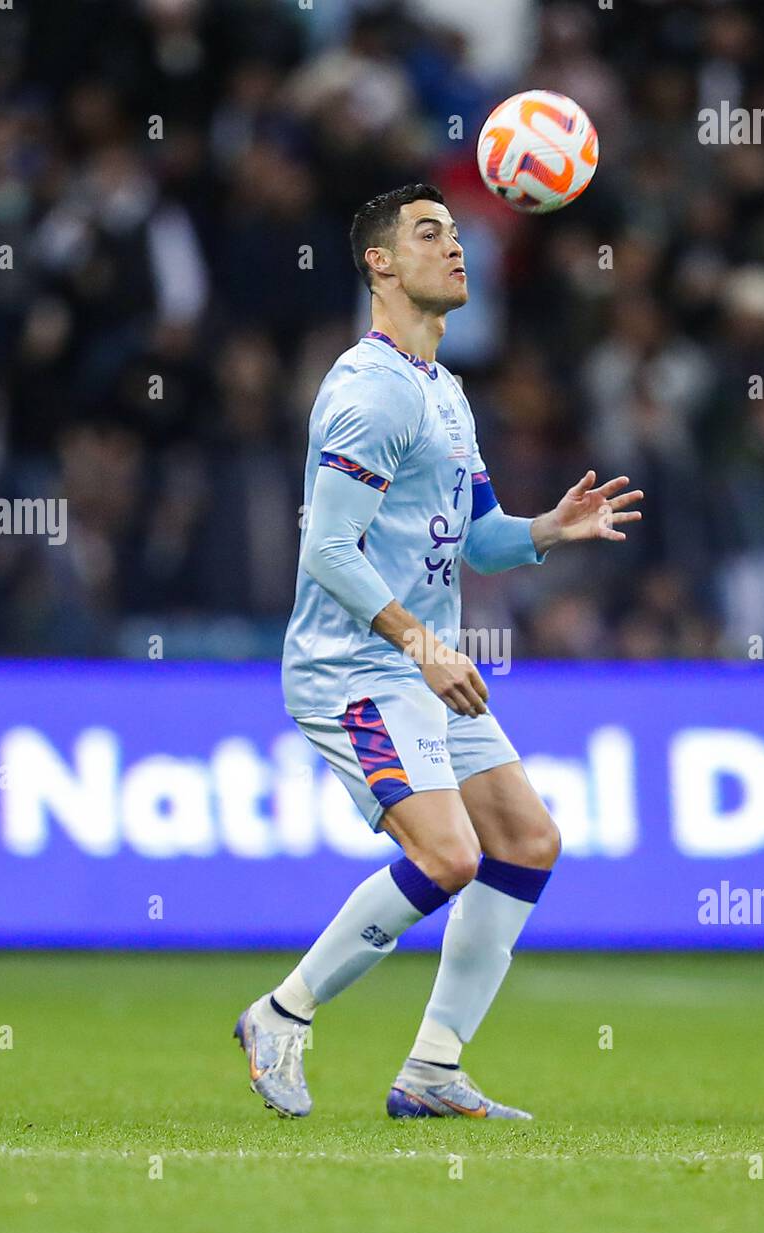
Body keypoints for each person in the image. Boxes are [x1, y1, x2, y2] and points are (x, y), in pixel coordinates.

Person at [234, 183, 643, 1119]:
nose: (456, 249)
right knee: (451, 856)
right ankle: (283, 1012)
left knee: (528, 841)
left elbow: (477, 536)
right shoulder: (370, 391)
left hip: (421, 666)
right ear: (379, 263)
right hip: (356, 671)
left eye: (458, 234)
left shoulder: (445, 393)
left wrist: (548, 529)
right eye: (430, 234)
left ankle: (431, 1068)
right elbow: (327, 550)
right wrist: (421, 645)